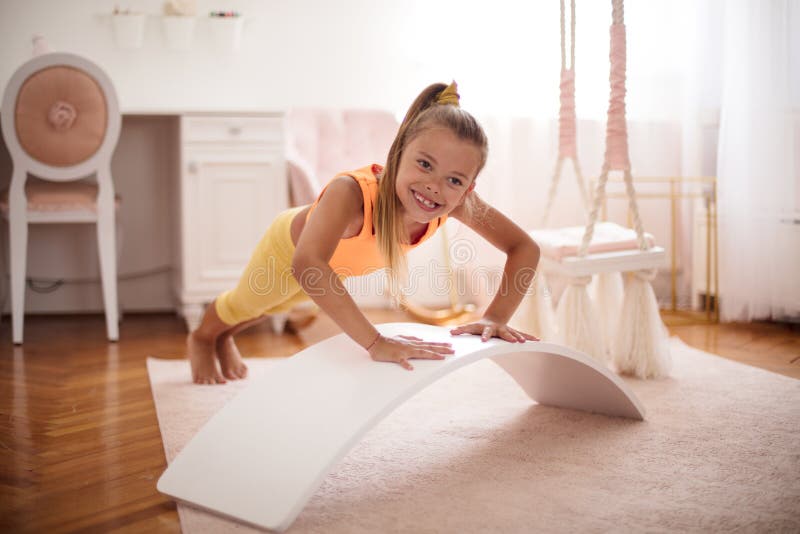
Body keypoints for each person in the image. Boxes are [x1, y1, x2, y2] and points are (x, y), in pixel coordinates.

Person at [188, 81, 541, 384]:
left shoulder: (460, 202)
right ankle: (204, 338)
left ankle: (225, 337)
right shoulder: (351, 193)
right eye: (425, 164)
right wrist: (374, 342)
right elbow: (309, 265)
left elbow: (524, 248)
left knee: (276, 305)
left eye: (453, 180)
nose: (435, 187)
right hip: (291, 249)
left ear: (468, 187)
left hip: (331, 268)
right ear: (400, 151)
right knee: (250, 302)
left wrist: (495, 317)